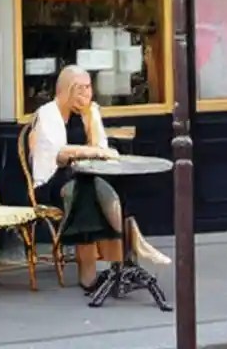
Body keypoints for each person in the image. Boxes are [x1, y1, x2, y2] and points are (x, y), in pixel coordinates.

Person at [29, 65, 169, 291]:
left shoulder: (87, 113)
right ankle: (121, 255)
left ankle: (116, 265)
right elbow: (61, 155)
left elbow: (101, 148)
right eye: (80, 89)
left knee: (101, 189)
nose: (87, 94)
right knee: (86, 192)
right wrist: (91, 152)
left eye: (88, 88)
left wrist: (92, 117)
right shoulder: (48, 113)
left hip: (85, 177)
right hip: (53, 182)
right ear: (66, 90)